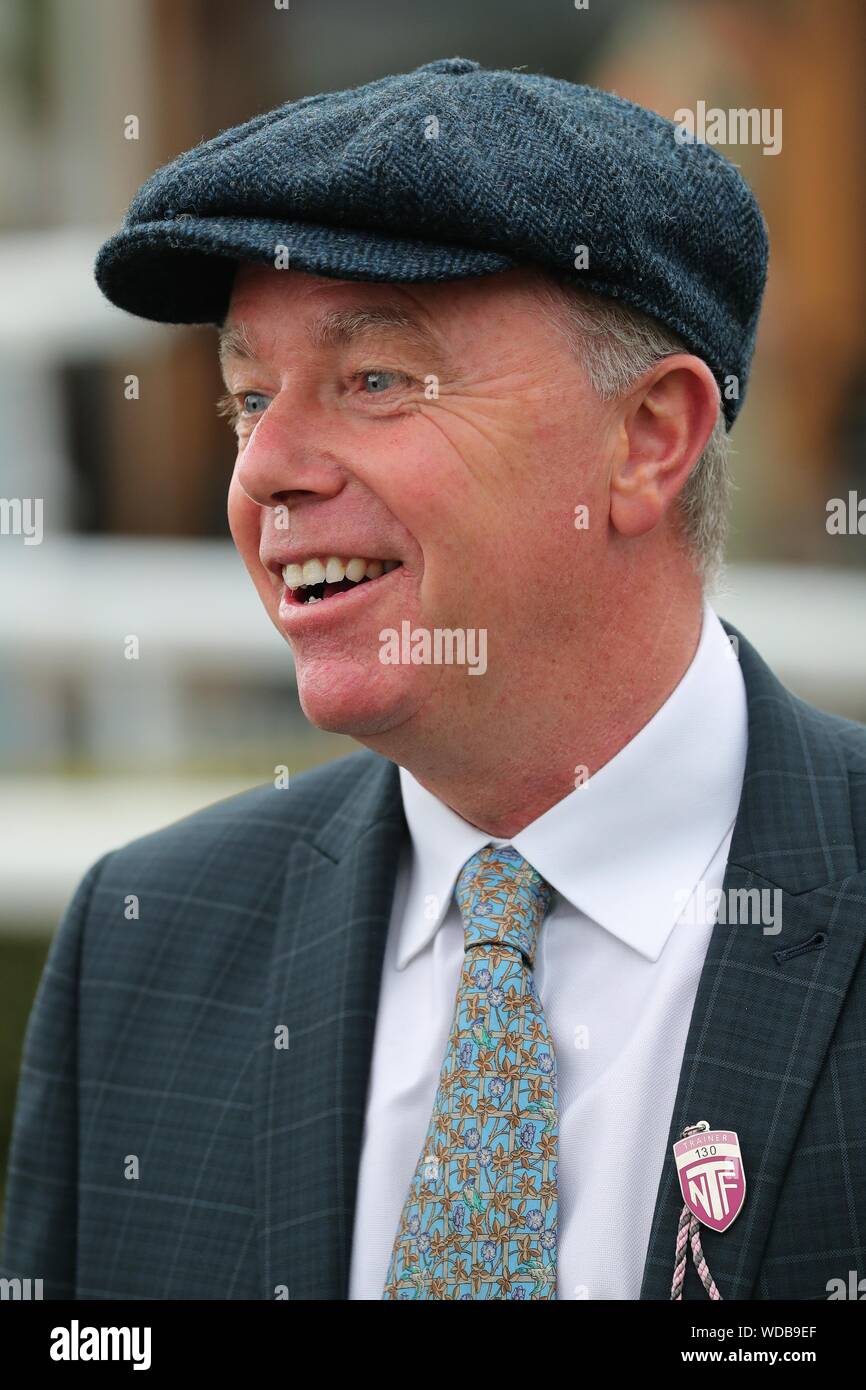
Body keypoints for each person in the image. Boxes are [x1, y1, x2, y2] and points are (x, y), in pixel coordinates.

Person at [3, 58, 865, 1302]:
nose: (267, 472)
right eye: (248, 399)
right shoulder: (144, 944)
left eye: (376, 382)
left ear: (649, 439)